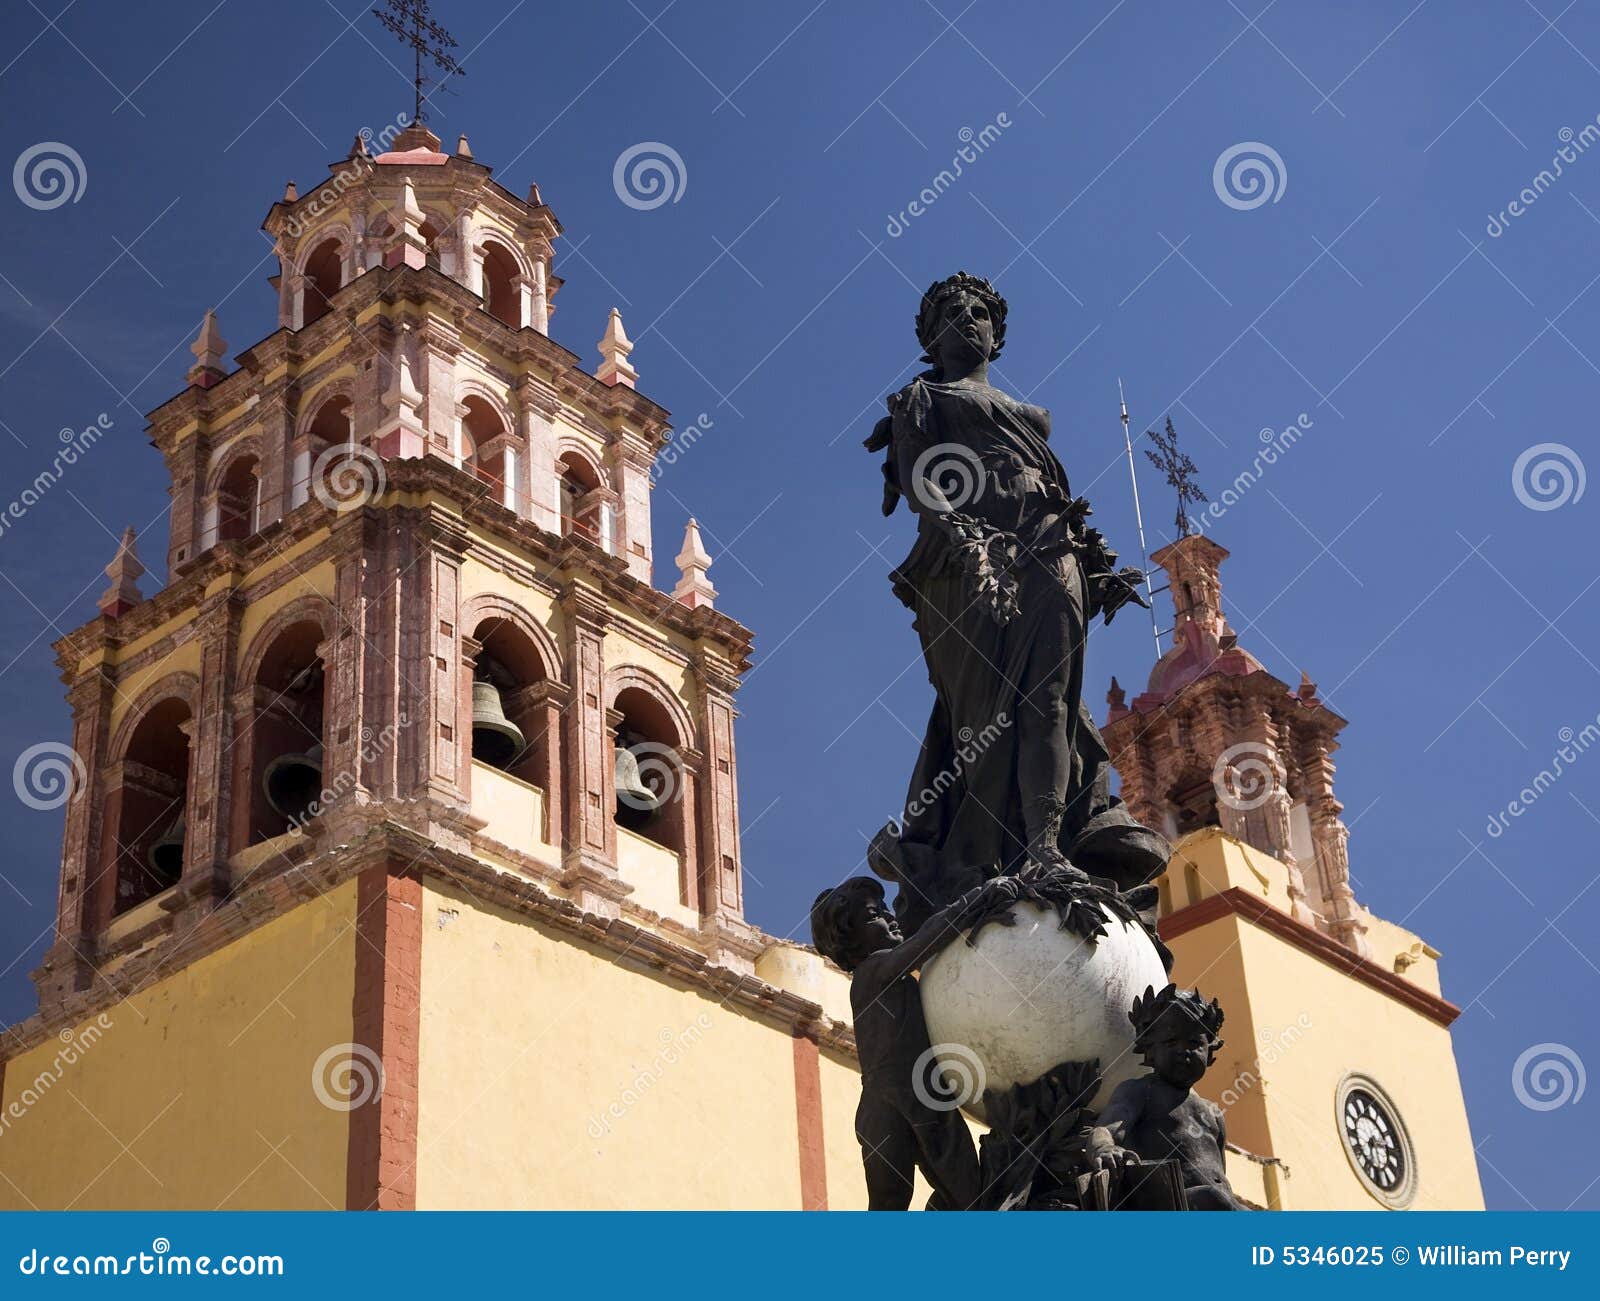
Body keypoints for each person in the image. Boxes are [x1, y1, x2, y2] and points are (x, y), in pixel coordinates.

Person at [864, 273, 1166, 930]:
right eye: (950, 312)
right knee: (981, 716)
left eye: (980, 312)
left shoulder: (1026, 418)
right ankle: (978, 858)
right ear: (931, 336)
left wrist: (1098, 564)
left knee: (1049, 703)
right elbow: (922, 481)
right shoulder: (922, 399)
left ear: (996, 335)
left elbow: (1058, 494)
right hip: (962, 567)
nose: (967, 319)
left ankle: (1047, 848)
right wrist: (966, 538)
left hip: (1049, 547)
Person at [810, 874, 1018, 1209]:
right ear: (850, 940)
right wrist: (976, 900)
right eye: (874, 914)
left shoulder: (878, 976)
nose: (890, 916)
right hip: (920, 1093)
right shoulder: (873, 969)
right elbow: (924, 941)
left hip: (878, 1107)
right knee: (970, 1194)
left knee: (889, 1202)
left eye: (885, 907)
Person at [1092, 983, 1245, 1210]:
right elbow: (1106, 1129)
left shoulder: (1213, 1114)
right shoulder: (1140, 1090)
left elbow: (1220, 1176)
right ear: (1150, 1050)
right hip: (1169, 1203)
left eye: (1195, 1043)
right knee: (1214, 1199)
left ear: (1210, 1051)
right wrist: (1104, 1148)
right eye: (1171, 1042)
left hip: (1217, 1205)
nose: (1184, 1050)